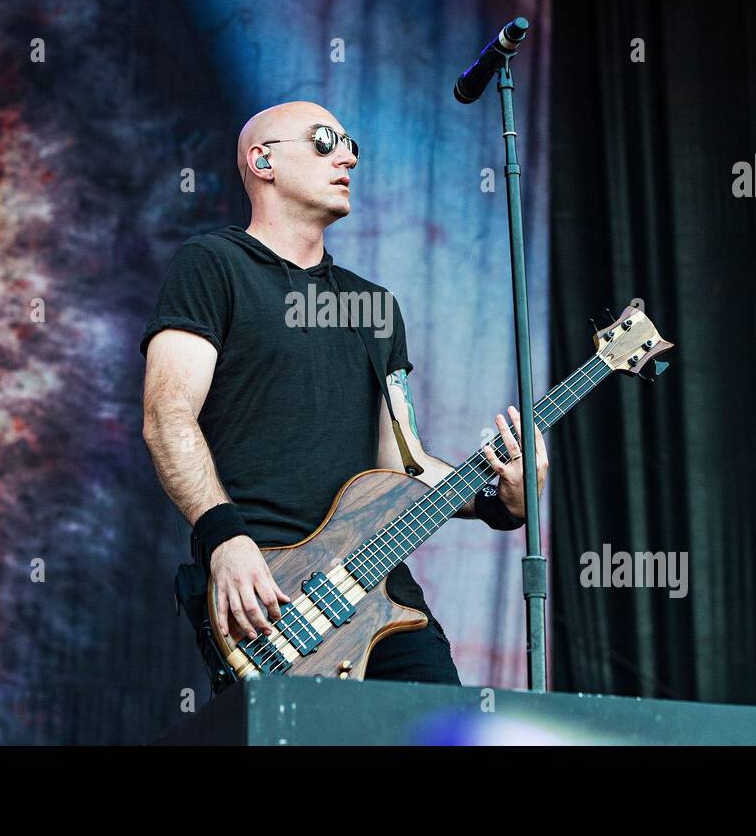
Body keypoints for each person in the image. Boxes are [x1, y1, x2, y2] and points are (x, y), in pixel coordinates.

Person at [140, 101, 548, 690]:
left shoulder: (374, 308)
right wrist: (224, 537)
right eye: (326, 141)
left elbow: (403, 463)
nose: (349, 156)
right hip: (272, 589)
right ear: (263, 161)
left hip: (380, 588)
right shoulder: (212, 266)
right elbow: (167, 417)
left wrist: (499, 500)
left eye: (352, 143)